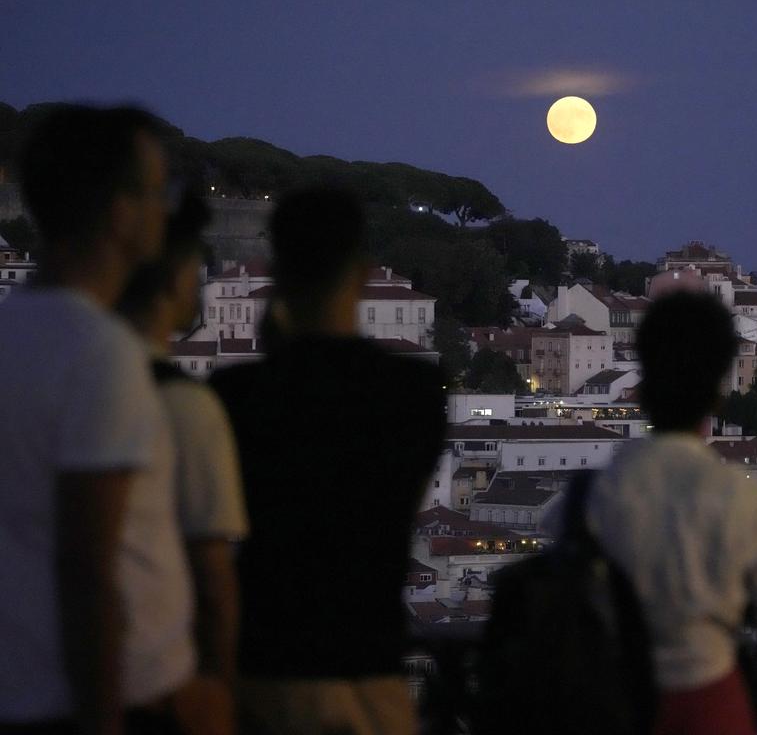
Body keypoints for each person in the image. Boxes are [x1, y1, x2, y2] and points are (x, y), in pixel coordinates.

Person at [0, 106, 212, 734]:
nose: (164, 210)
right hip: (113, 702)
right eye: (157, 192)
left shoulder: (13, 333)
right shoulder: (101, 353)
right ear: (120, 210)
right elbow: (91, 567)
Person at [210, 185, 446, 735]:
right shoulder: (415, 391)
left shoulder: (232, 394)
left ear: (278, 273)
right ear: (362, 272)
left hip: (265, 672)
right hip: (372, 669)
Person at [580, 291, 757, 735]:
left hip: (611, 704)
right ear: (716, 396)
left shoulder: (592, 494)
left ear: (643, 388)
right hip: (709, 703)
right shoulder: (740, 498)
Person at [117, 188, 248, 724]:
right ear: (173, 281)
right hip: (151, 683)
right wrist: (222, 689)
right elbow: (214, 577)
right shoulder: (184, 406)